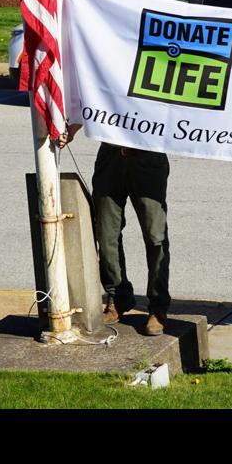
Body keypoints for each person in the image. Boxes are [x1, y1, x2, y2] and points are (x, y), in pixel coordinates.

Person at [89, 133, 171, 337]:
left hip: (148, 155)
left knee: (155, 237)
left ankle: (158, 307)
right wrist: (71, 129)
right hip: (110, 155)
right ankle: (118, 297)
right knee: (106, 235)